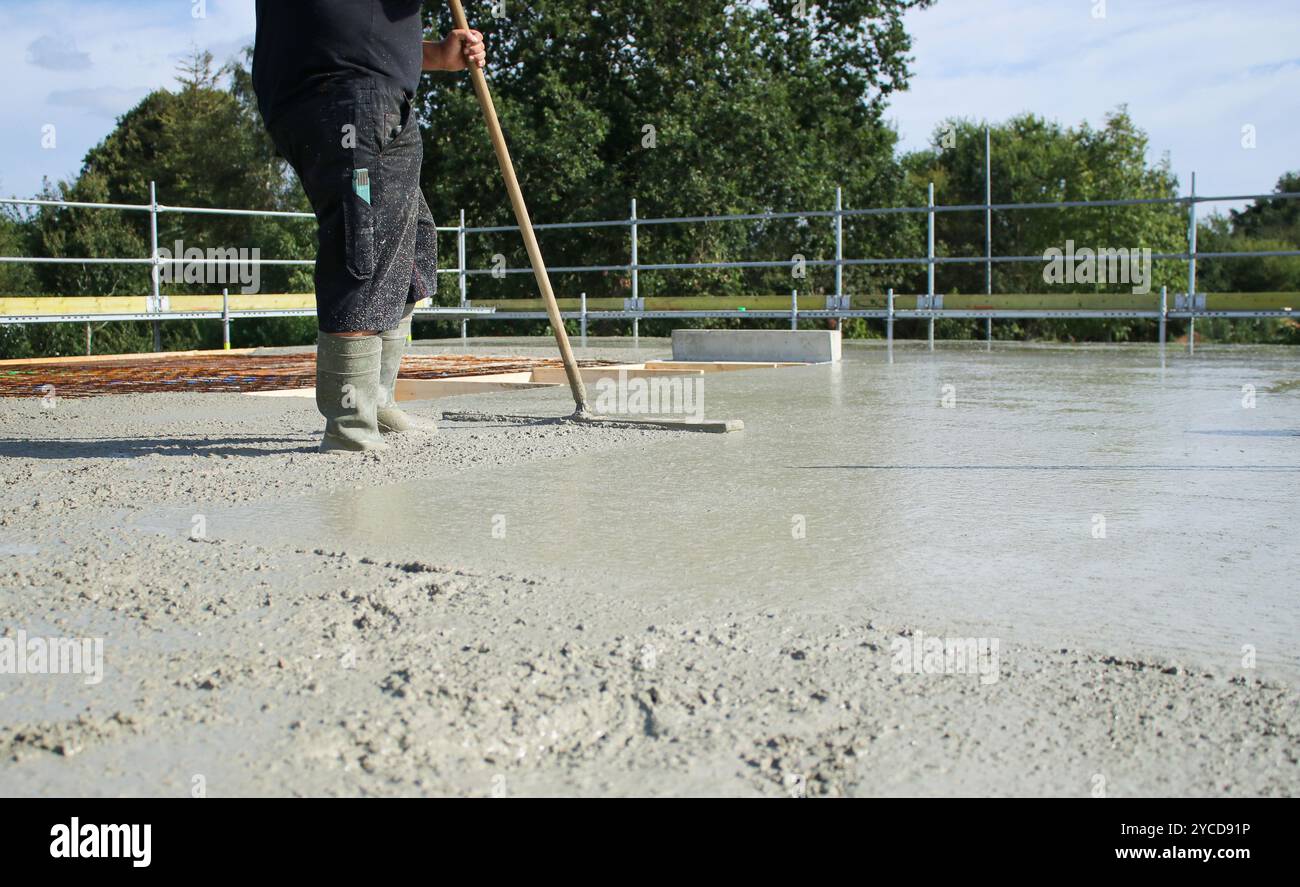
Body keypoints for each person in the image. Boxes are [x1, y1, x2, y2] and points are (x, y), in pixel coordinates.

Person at [252, 1, 486, 452]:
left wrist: (436, 54)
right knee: (365, 249)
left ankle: (375, 401)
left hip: (365, 92)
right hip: (348, 99)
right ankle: (350, 426)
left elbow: (347, 30)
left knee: (410, 243)